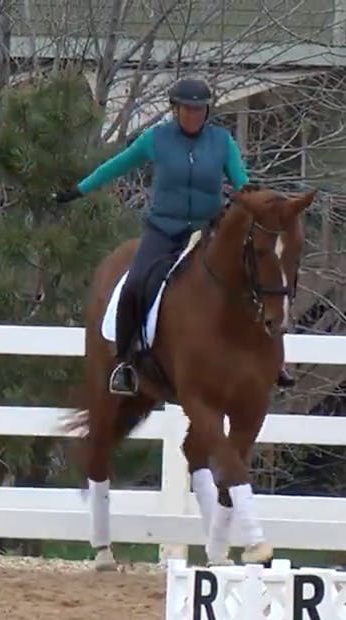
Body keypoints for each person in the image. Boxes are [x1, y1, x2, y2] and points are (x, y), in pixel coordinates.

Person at [53, 76, 296, 395]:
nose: (193, 115)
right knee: (136, 283)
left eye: (199, 109)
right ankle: (126, 362)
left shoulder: (222, 143)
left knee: (258, 280)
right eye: (187, 109)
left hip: (208, 231)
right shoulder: (155, 140)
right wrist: (77, 190)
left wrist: (255, 199)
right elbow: (115, 167)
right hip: (164, 231)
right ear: (175, 110)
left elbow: (241, 181)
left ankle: (273, 359)